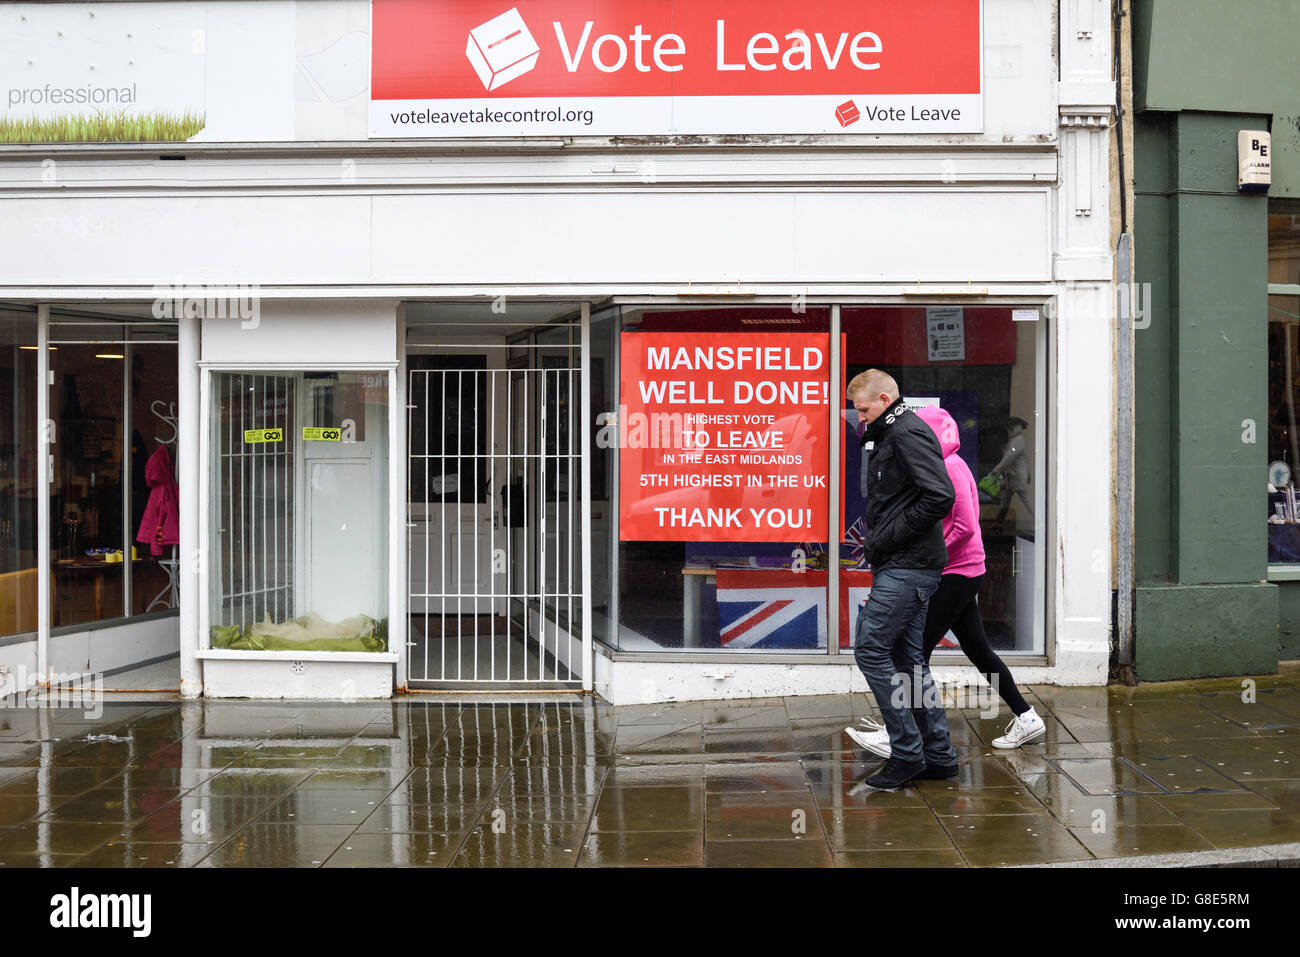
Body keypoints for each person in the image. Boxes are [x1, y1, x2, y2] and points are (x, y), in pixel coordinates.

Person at [853, 405, 1045, 752]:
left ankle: (897, 732)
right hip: (963, 573)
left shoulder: (950, 469)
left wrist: (933, 555)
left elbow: (967, 526)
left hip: (954, 574)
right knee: (978, 650)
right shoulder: (949, 464)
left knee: (910, 654)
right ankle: (1027, 717)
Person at [842, 370, 959, 789]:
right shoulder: (889, 431)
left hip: (909, 565)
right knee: (910, 662)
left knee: (871, 650)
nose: (860, 418)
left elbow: (940, 495)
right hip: (905, 564)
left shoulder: (907, 432)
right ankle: (939, 756)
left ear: (885, 397)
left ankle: (907, 752)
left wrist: (889, 535)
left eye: (864, 409)